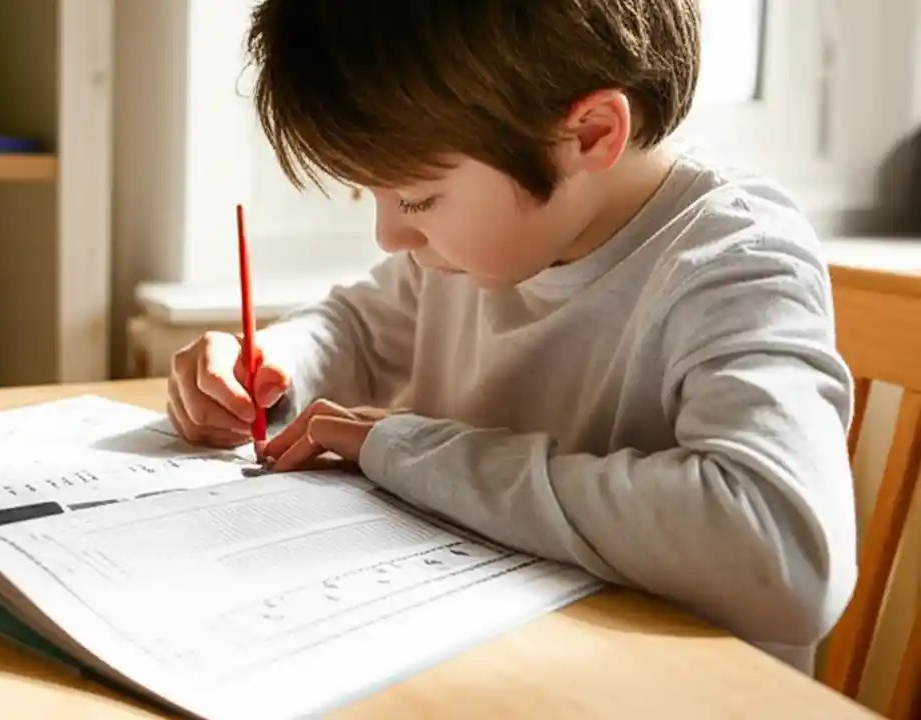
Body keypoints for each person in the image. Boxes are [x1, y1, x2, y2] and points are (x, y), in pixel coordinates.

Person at [164, 0, 857, 673]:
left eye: (416, 200)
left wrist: (410, 452)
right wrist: (272, 365)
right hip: (484, 658)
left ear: (588, 134)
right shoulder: (474, 251)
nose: (389, 235)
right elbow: (353, 328)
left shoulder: (735, 261)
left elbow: (783, 552)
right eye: (367, 194)